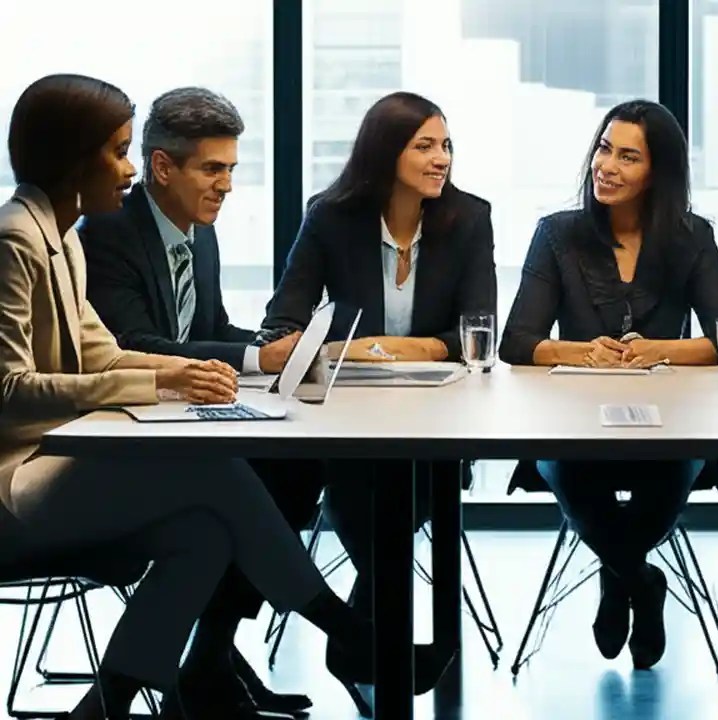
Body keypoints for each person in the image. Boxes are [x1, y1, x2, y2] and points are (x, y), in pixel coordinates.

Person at [0, 74, 452, 720]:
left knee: (205, 534)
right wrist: (165, 377)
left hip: (55, 472)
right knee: (215, 469)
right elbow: (10, 391)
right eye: (118, 151)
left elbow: (104, 351)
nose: (127, 169)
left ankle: (107, 705)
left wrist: (178, 373)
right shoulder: (17, 238)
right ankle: (350, 633)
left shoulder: (61, 236)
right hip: (15, 486)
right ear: (73, 158)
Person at [78, 87, 314, 718]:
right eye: (214, 169)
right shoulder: (106, 233)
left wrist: (273, 349)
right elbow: (131, 342)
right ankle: (303, 632)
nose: (227, 186)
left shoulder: (197, 233)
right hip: (122, 438)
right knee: (239, 486)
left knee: (295, 468)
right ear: (161, 167)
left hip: (182, 422)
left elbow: (208, 325)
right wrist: (253, 360)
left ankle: (212, 653)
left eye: (232, 169)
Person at [260, 91, 494, 709]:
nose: (441, 158)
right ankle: (375, 643)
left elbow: (476, 332)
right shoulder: (331, 217)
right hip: (347, 418)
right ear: (384, 152)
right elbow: (281, 322)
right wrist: (325, 349)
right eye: (424, 146)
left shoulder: (469, 218)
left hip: (441, 416)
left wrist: (368, 346)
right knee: (353, 483)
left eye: (445, 145)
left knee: (399, 489)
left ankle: (363, 641)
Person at [499, 99, 718, 670]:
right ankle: (639, 580)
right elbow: (517, 341)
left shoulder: (692, 237)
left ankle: (617, 576)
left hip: (670, 428)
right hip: (573, 427)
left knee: (664, 483)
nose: (605, 165)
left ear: (657, 172)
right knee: (572, 473)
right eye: (604, 149)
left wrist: (661, 351)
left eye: (627, 156)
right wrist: (581, 353)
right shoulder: (557, 234)